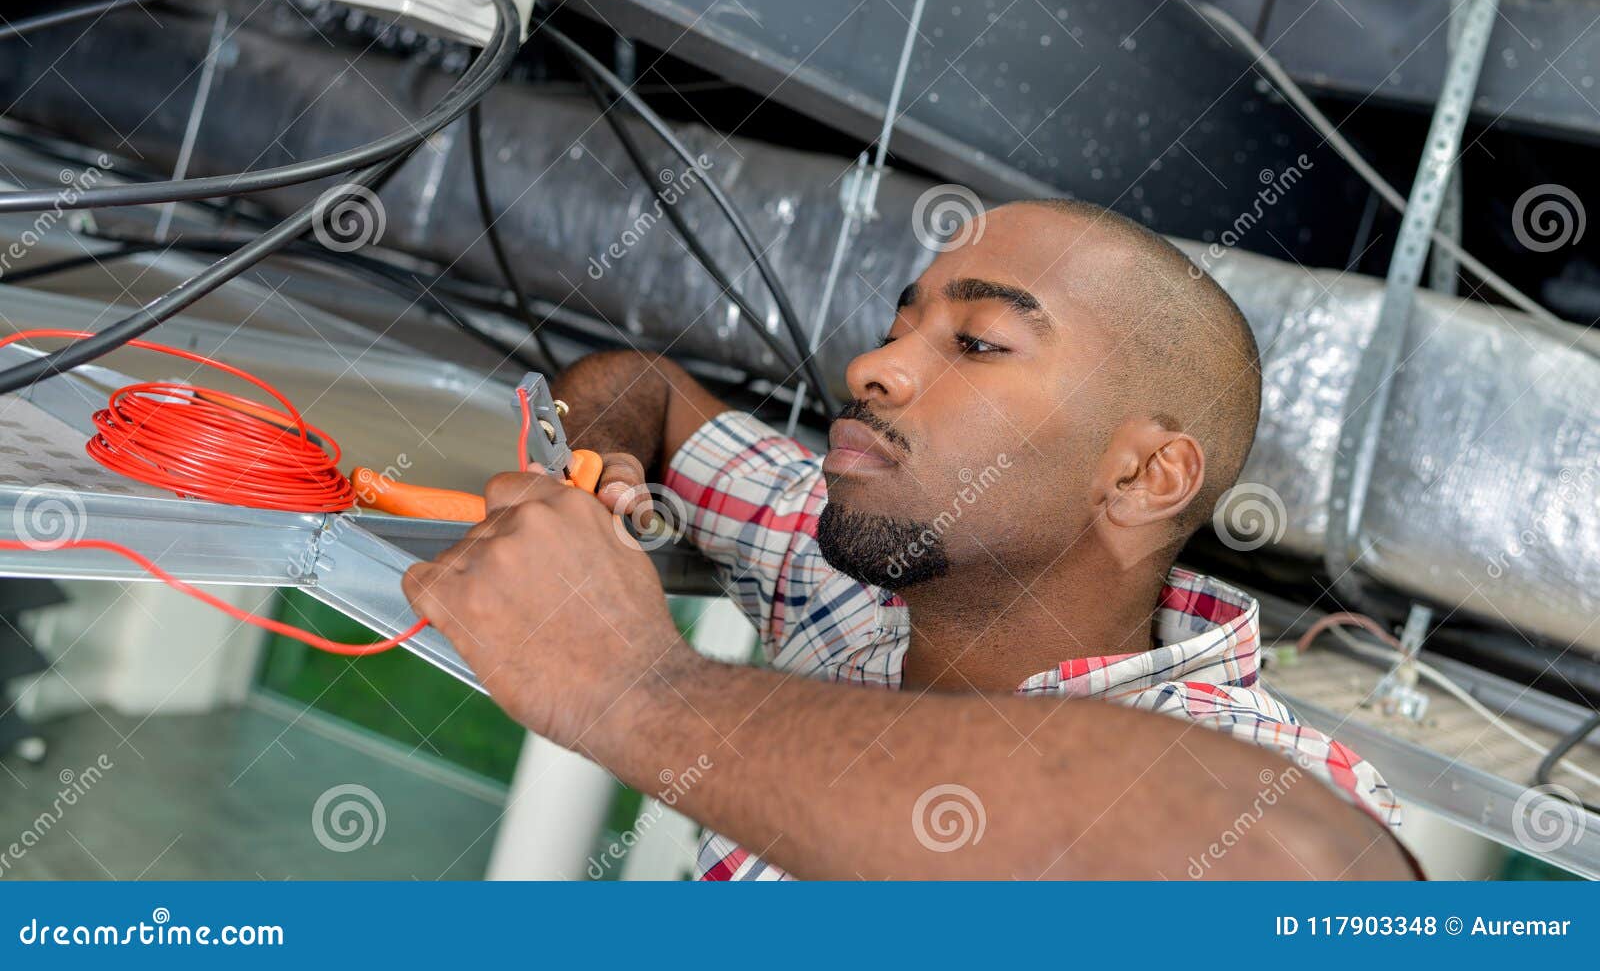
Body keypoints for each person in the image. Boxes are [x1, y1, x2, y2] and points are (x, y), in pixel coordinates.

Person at [401, 199, 1415, 879]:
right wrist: (606, 463)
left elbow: (1283, 861)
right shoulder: (845, 590)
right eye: (900, 328)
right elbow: (638, 385)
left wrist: (628, 689)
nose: (869, 367)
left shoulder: (1265, 763)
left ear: (1143, 476)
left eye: (975, 344)